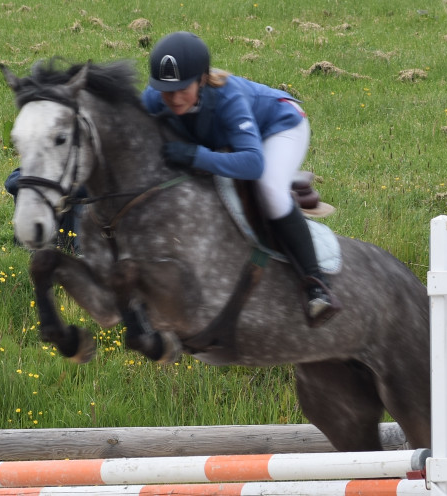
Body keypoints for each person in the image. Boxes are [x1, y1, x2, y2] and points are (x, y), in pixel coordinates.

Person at [144, 31, 341, 325]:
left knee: (270, 190)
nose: (172, 98)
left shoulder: (228, 98)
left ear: (201, 79)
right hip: (235, 140)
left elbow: (252, 163)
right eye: (165, 90)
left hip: (282, 126)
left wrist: (196, 156)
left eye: (181, 88)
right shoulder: (154, 98)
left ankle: (316, 284)